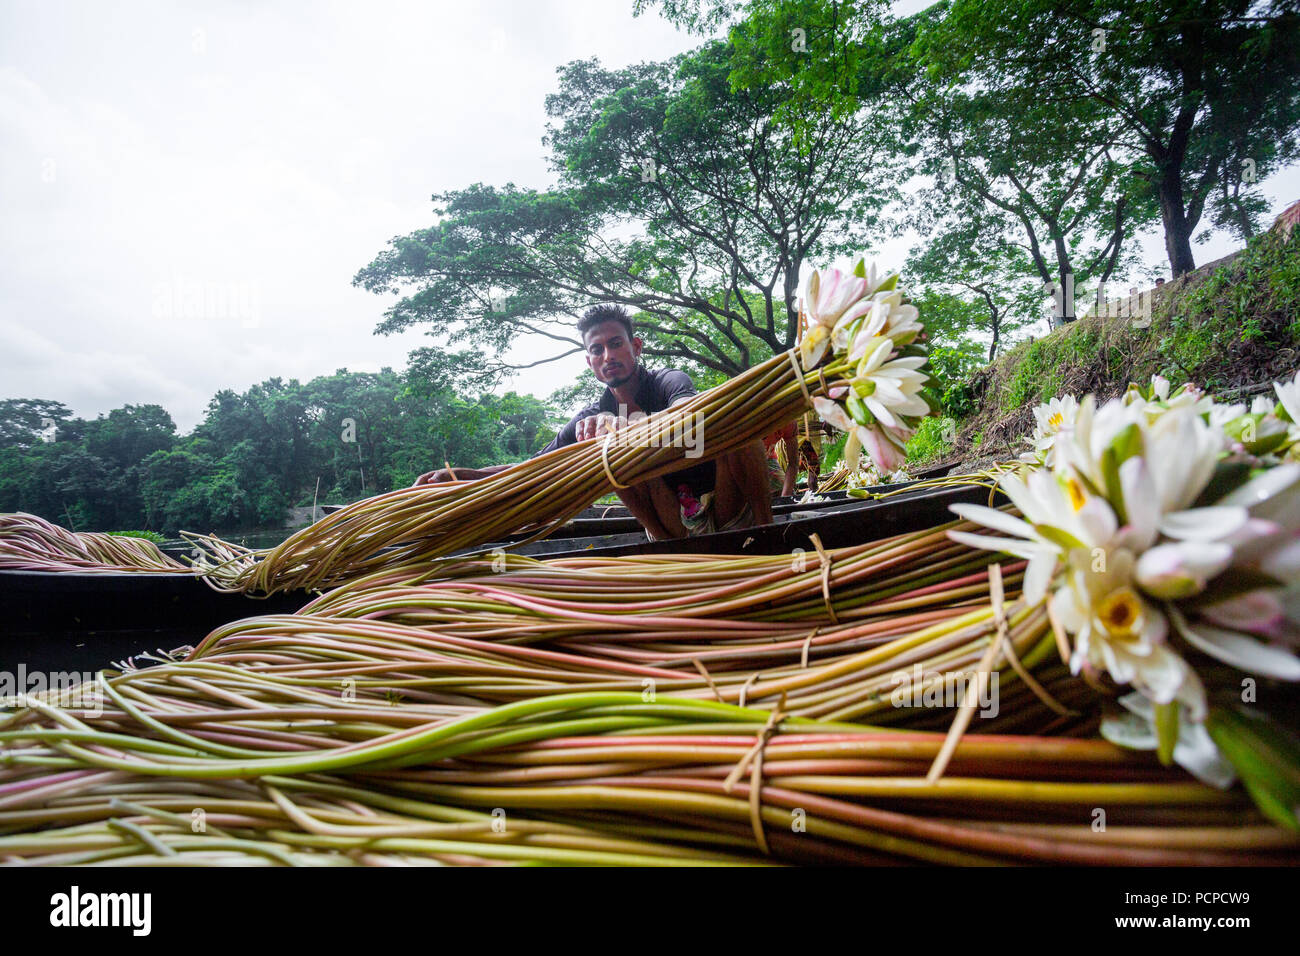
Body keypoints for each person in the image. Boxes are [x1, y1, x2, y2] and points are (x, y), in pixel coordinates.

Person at [413, 304, 774, 541]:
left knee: (736, 423)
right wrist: (463, 476)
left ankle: (768, 534)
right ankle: (664, 551)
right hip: (671, 526)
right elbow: (533, 469)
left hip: (727, 508)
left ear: (636, 346)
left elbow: (690, 414)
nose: (608, 355)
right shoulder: (589, 418)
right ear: (590, 362)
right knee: (606, 450)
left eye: (616, 344)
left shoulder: (668, 381)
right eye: (597, 350)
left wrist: (631, 428)